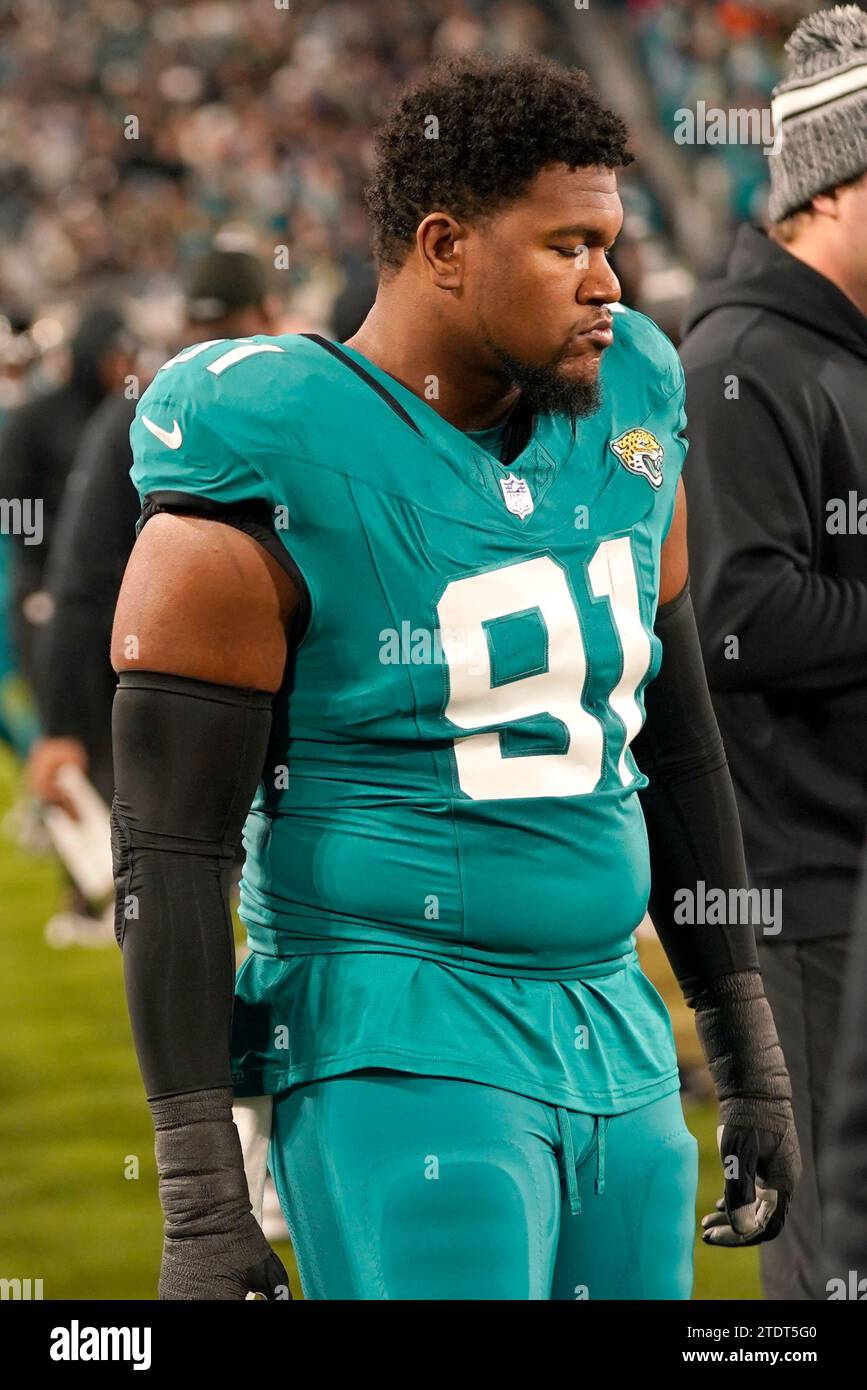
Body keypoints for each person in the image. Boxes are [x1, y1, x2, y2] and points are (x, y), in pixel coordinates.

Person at [110, 54, 799, 1301]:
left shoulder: (631, 398)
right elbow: (167, 849)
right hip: (396, 1037)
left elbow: (675, 739)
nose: (610, 285)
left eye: (612, 243)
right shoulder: (271, 450)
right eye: (568, 246)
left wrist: (746, 1049)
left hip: (618, 1034)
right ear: (443, 245)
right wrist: (201, 1189)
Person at [679, 5, 867, 1300]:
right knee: (831, 1260)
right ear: (840, 186)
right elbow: (732, 614)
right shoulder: (741, 357)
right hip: (801, 893)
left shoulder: (827, 355)